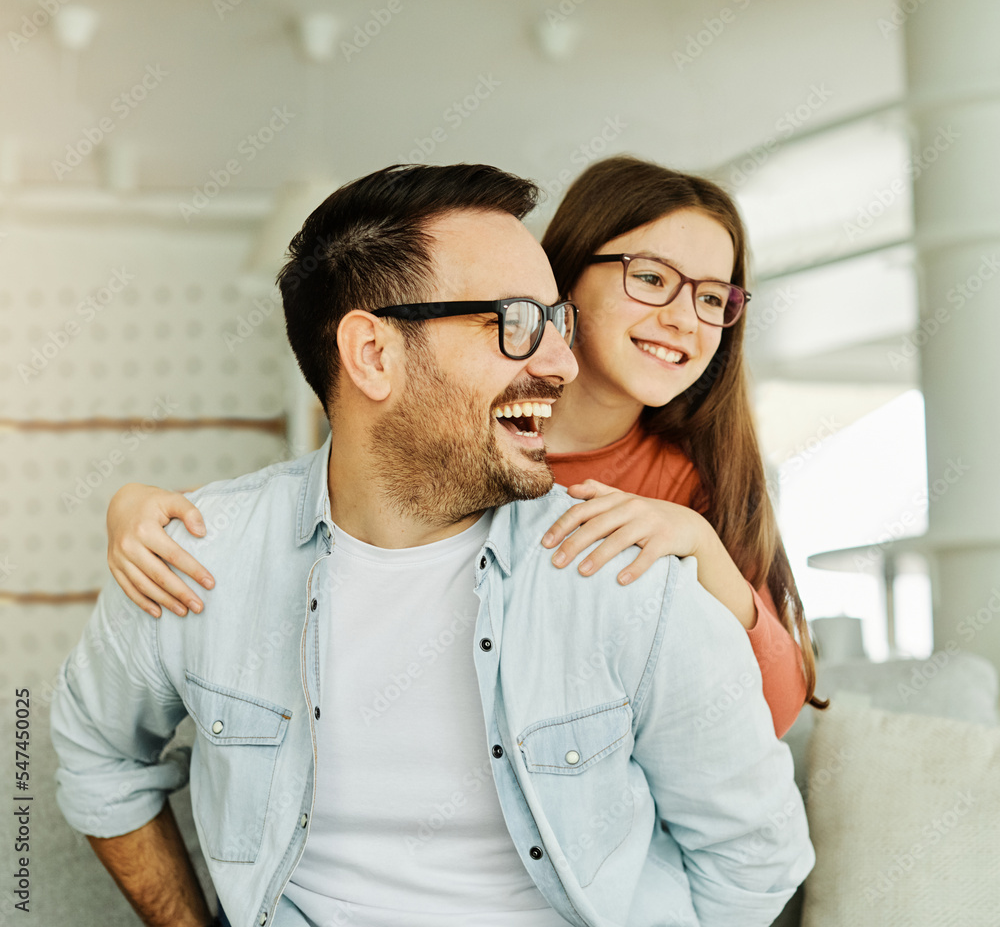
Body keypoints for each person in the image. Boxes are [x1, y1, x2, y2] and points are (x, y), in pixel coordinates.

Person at [51, 162, 812, 927]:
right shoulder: (196, 561)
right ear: (374, 355)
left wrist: (705, 556)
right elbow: (94, 755)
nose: (562, 364)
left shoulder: (631, 562)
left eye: (557, 323)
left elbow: (754, 852)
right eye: (517, 322)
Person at [104, 156, 820, 738]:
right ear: (559, 281)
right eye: (653, 278)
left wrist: (701, 547)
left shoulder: (692, 482)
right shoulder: (443, 433)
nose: (682, 318)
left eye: (712, 299)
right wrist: (143, 508)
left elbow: (773, 712)